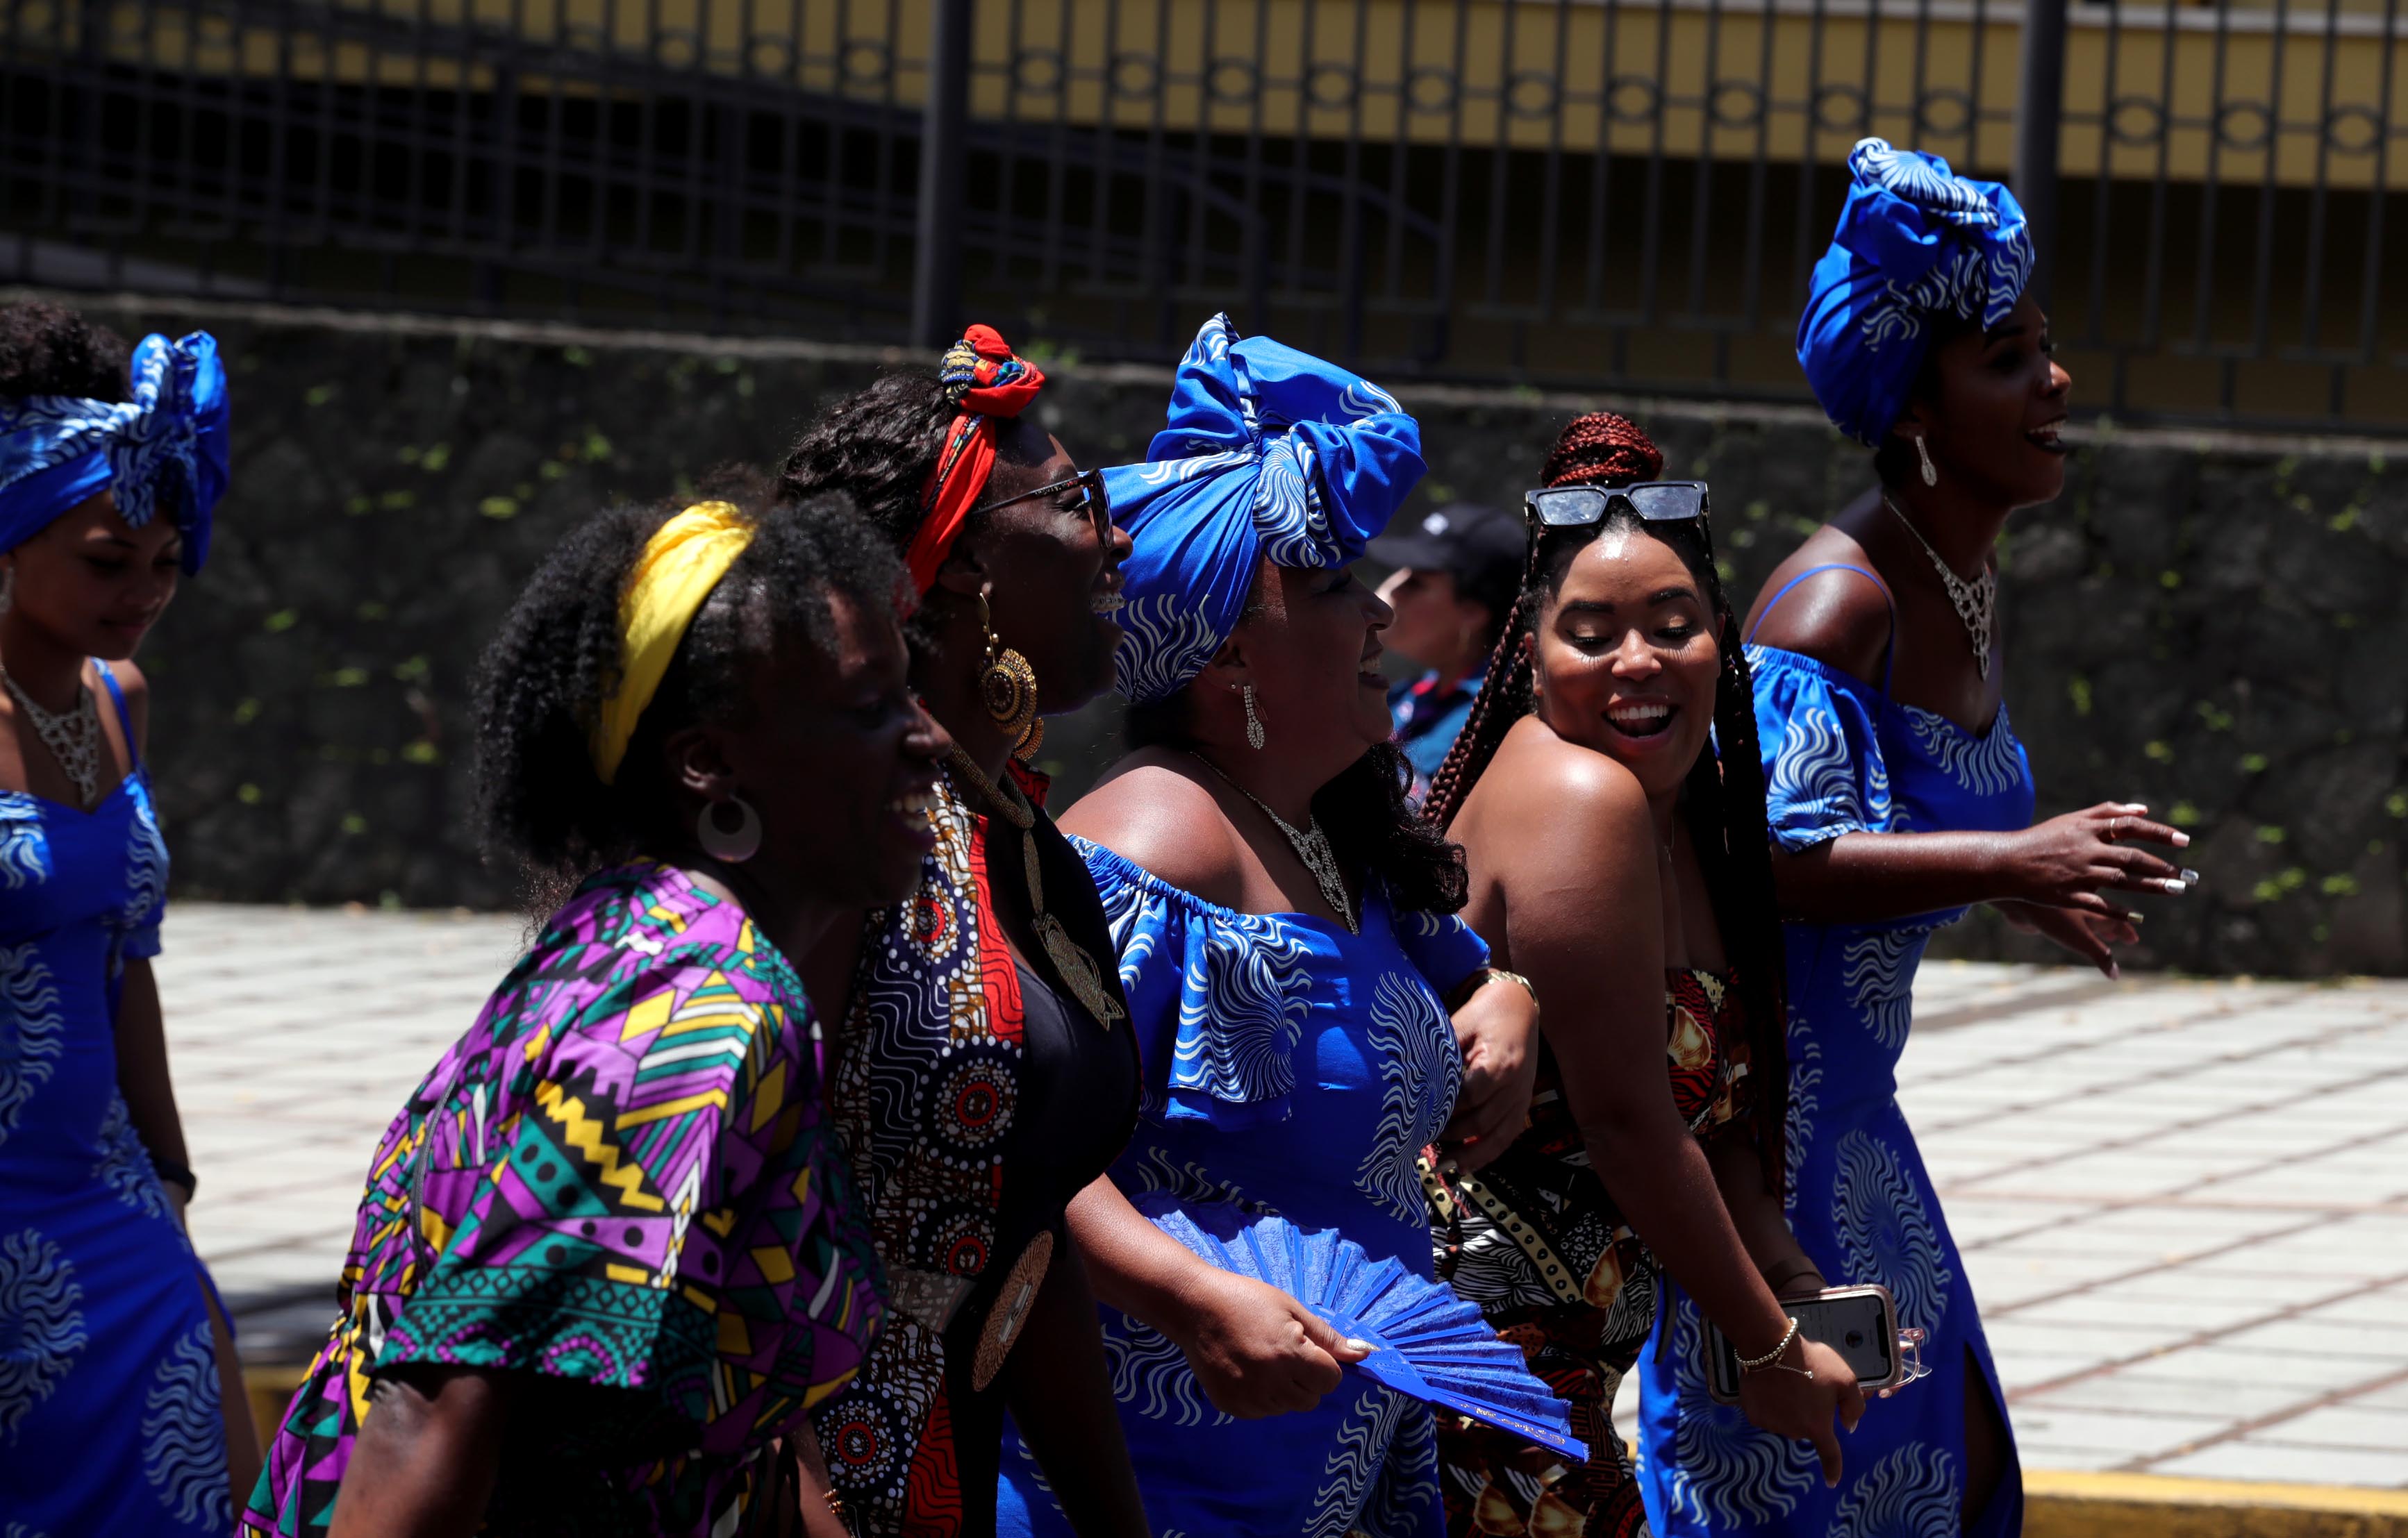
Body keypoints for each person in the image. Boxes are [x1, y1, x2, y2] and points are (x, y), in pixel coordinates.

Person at [1633, 139, 2193, 1538]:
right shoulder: (1833, 607)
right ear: (1918, 408)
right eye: (2008, 358)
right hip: (1773, 1135)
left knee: (1921, 1477)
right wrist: (2005, 862)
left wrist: (2004, 888)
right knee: (1813, 1490)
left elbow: (1880, 833)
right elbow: (1758, 856)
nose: (2053, 382)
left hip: (1858, 1124)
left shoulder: (1954, 573)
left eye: (2044, 349)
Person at [242, 491, 931, 1536]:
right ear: (708, 762)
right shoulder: (694, 1010)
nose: (925, 738)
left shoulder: (633, 931)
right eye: (867, 705)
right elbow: (434, 1415)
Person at [994, 313, 1542, 1538]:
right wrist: (1190, 1298)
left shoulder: (1332, 833)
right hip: (1158, 1484)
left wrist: (1511, 1001)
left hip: (1325, 1469)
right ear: (1232, 651)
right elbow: (1020, 1140)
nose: (1381, 619)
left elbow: (1465, 976)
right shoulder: (1147, 847)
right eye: (1340, 586)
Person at [1418, 412, 1865, 1538]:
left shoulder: (1689, 816)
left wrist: (1782, 1268)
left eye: (1672, 627)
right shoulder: (1582, 798)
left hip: (1555, 1377)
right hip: (1473, 1384)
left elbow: (1703, 1119)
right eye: (1591, 633)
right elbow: (1626, 1123)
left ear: (1721, 636)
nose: (1638, 664)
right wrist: (1766, 1347)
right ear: (1530, 653)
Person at [778, 325, 1150, 1537]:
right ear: (961, 570)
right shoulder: (853, 849)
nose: (1119, 540)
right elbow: (747, 1212)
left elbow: (1022, 1228)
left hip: (948, 1466)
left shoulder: (1029, 850)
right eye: (1080, 503)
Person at [0, 301, 258, 1531]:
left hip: (110, 1198)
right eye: (108, 560)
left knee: (199, 1472)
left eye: (166, 561)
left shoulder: (119, 701)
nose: (145, 591)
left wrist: (172, 1175)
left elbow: (125, 967)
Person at [1368, 501, 1525, 798]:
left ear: (1472, 613)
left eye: (1415, 582)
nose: (1394, 591)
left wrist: (1367, 625)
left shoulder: (1499, 715)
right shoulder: (1409, 694)